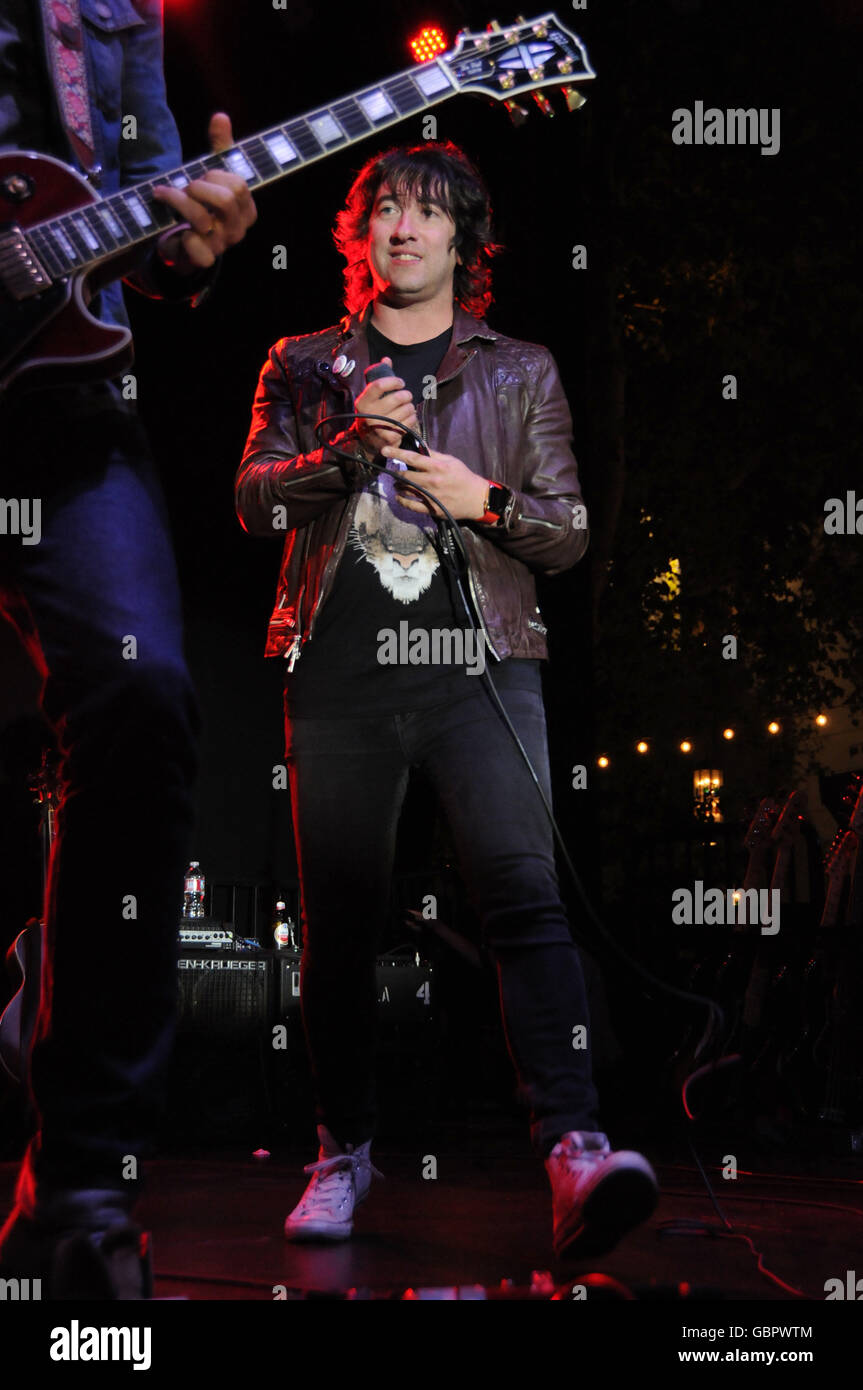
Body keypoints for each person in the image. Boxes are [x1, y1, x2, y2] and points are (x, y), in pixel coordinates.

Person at [235, 140, 657, 1260]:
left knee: (523, 900)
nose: (403, 229)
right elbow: (252, 504)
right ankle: (343, 1149)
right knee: (341, 924)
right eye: (384, 211)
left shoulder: (518, 370)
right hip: (336, 678)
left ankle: (572, 1151)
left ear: (465, 241)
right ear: (358, 234)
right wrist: (341, 454)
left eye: (428, 214)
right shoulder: (303, 359)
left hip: (482, 669)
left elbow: (563, 534)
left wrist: (484, 497)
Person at [0, 0, 256, 1298]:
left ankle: (85, 1178)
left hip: (61, 405)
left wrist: (198, 237)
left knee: (145, 692)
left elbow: (157, 223)